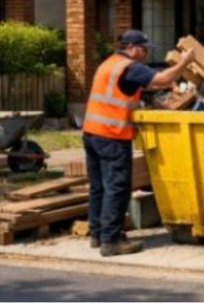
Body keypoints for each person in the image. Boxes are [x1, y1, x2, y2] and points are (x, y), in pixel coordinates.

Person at [82, 29, 195, 256]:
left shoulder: (110, 63)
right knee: (117, 187)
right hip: (112, 135)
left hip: (92, 133)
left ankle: (97, 234)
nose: (145, 54)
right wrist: (183, 64)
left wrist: (167, 84)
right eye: (144, 49)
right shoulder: (129, 67)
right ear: (132, 47)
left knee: (99, 187)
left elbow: (149, 84)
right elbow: (160, 79)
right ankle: (111, 242)